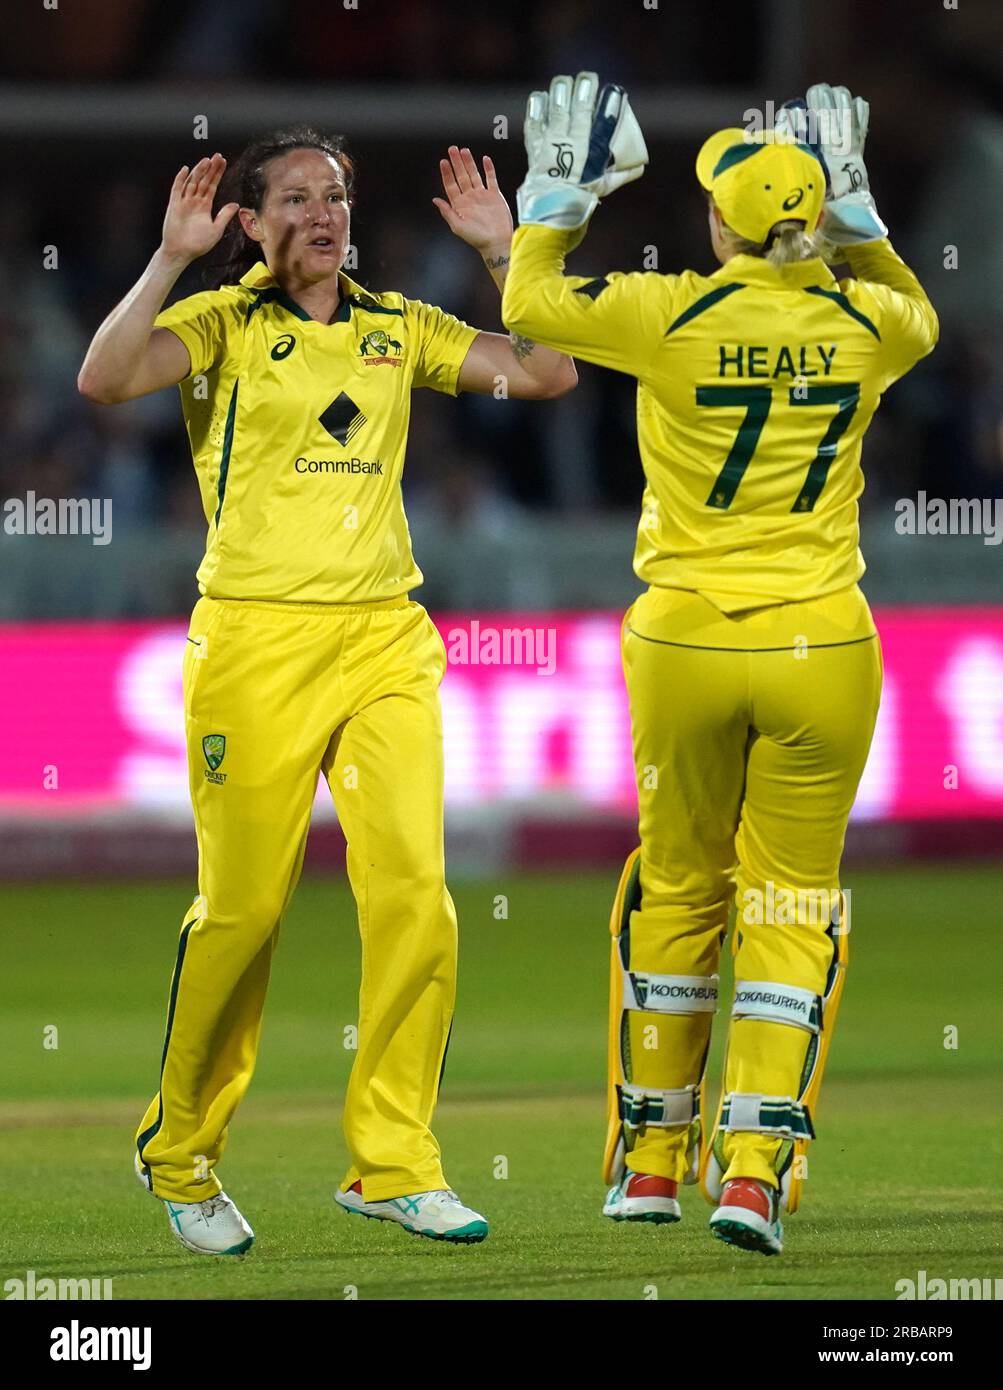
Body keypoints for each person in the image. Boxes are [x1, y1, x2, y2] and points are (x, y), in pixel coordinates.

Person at [77, 126, 576, 1254]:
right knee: (243, 915)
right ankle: (180, 1153)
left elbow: (546, 372)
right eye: (295, 198)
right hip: (253, 646)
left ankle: (392, 1161)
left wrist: (510, 257)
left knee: (417, 897)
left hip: (385, 642)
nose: (322, 212)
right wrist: (166, 261)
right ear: (249, 225)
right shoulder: (222, 323)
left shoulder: (402, 327)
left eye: (337, 195)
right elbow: (104, 377)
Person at [502, 77, 937, 1255]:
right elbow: (920, 314)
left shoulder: (666, 315)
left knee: (678, 888)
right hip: (822, 644)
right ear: (813, 221)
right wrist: (862, 219)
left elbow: (526, 300)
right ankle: (751, 1174)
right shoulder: (870, 325)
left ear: (721, 227)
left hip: (684, 639)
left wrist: (560, 196)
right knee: (793, 902)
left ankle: (650, 1162)